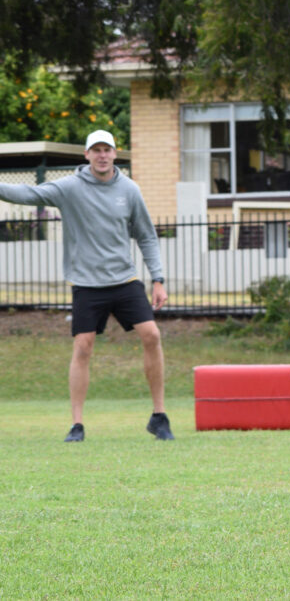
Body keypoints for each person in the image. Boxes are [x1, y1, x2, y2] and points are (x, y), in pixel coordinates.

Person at [0, 129, 173, 442]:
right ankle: (76, 425)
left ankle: (159, 417)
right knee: (83, 346)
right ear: (87, 155)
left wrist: (157, 278)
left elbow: (146, 235)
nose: (102, 155)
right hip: (86, 283)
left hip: (125, 279)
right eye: (97, 150)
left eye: (107, 150)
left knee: (152, 335)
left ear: (115, 154)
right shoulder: (70, 188)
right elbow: (28, 194)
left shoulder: (129, 189)